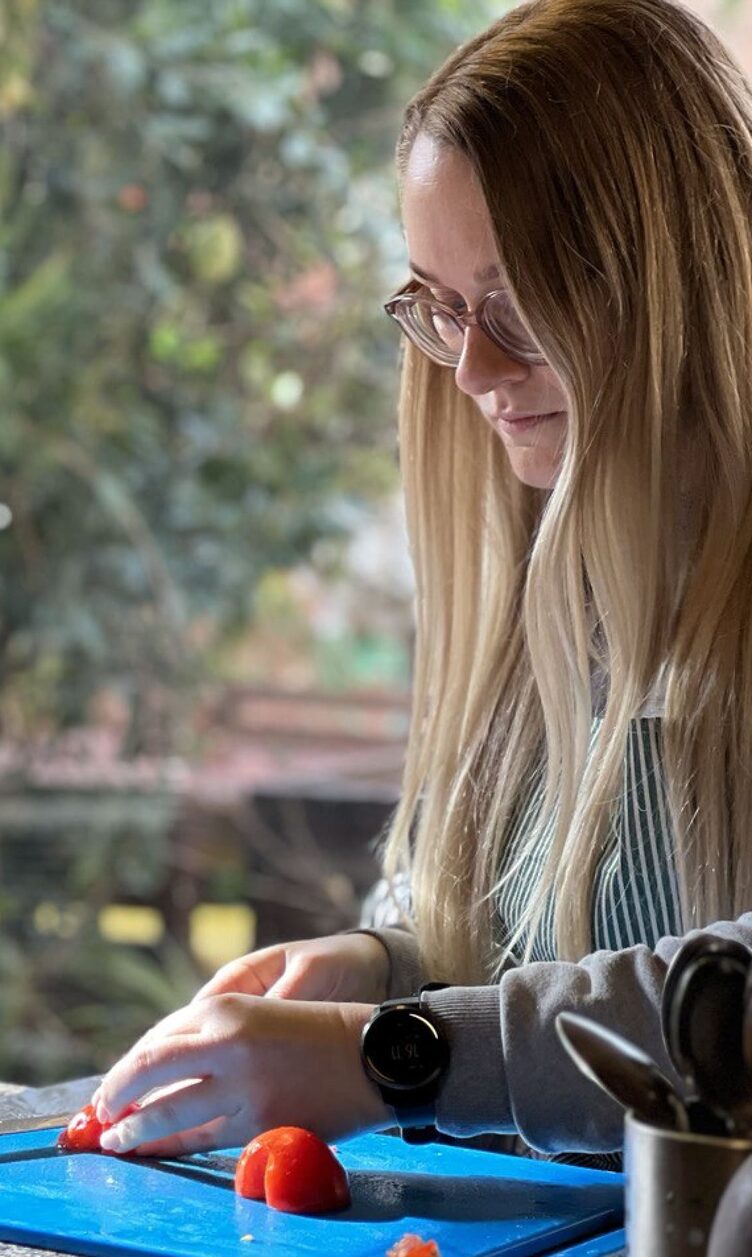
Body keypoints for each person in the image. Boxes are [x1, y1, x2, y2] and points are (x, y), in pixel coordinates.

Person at [94, 0, 752, 1158]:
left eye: (517, 303)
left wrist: (390, 1053)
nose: (476, 371)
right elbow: (507, 921)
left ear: (670, 280)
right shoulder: (551, 561)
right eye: (444, 309)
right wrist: (376, 965)